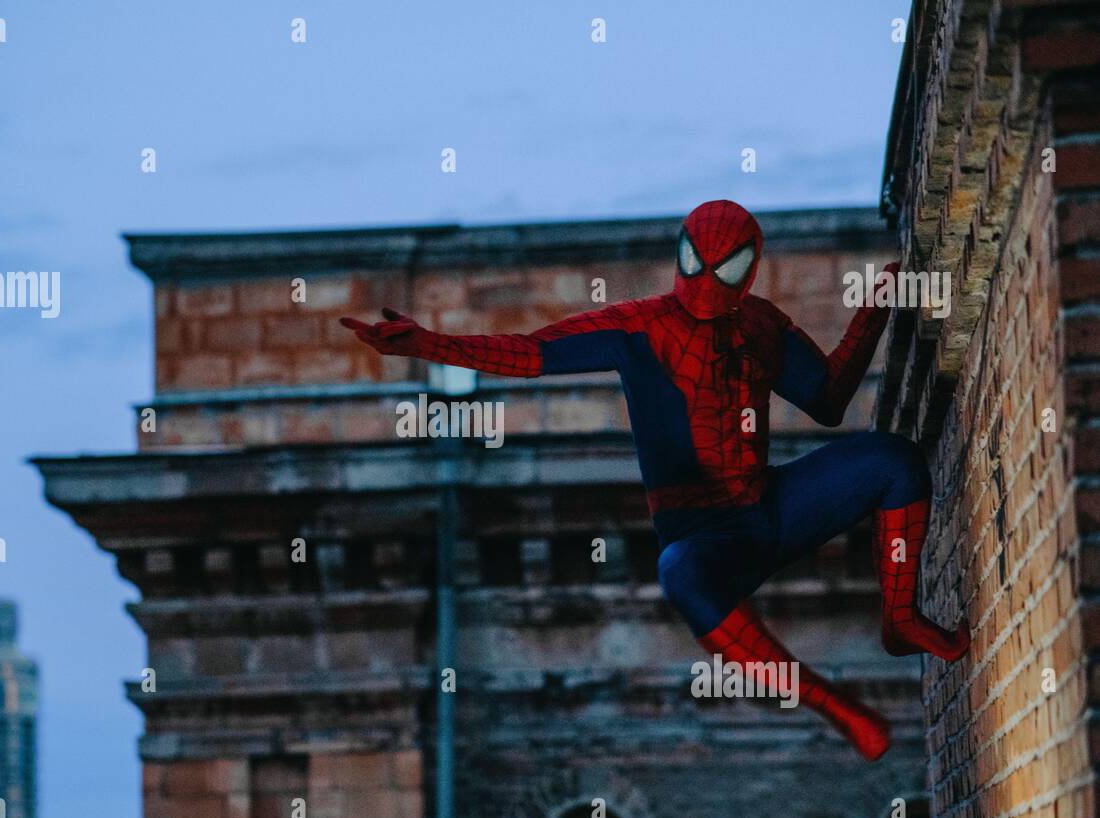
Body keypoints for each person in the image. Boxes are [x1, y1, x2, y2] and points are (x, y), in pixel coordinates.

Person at [341, 199, 969, 760]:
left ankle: (901, 616)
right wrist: (427, 345)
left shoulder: (760, 326)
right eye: (695, 262)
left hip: (769, 507)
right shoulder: (638, 327)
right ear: (680, 255)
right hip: (703, 536)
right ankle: (840, 711)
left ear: (747, 270)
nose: (702, 283)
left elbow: (829, 399)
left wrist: (873, 314)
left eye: (721, 269)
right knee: (680, 573)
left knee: (896, 462)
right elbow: (528, 352)